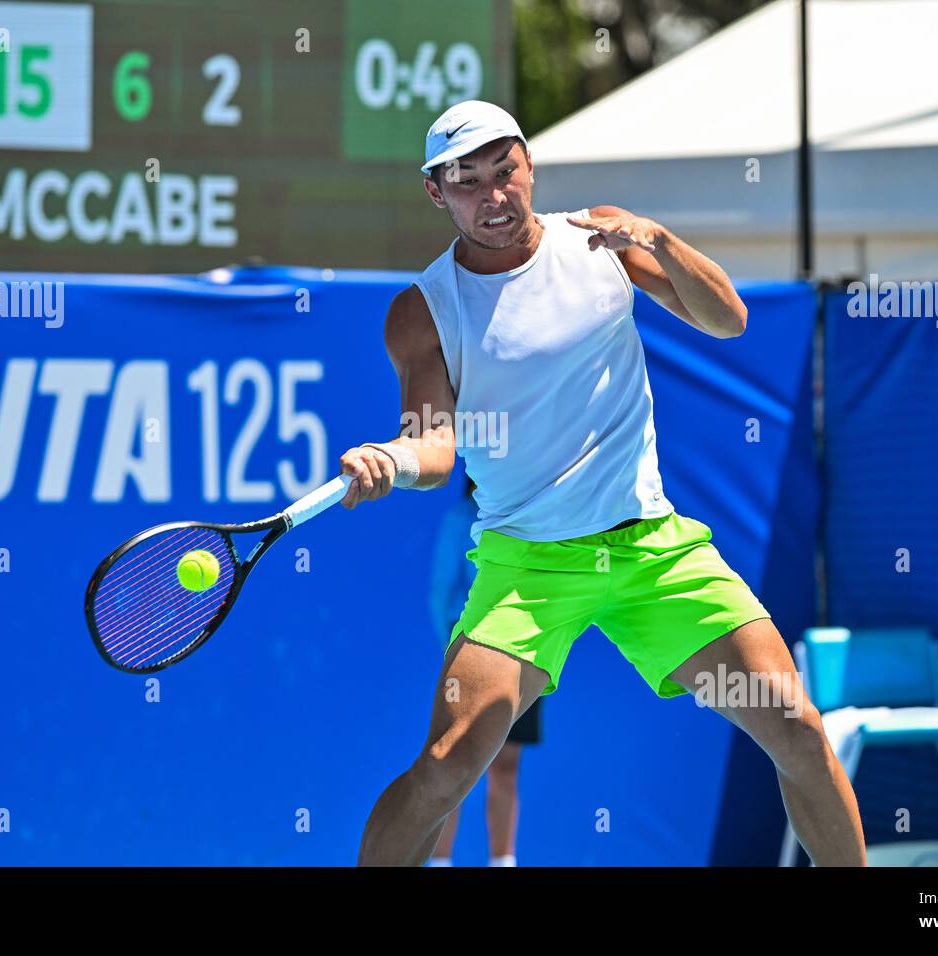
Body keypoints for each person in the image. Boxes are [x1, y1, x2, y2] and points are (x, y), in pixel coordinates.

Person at [337, 100, 866, 867]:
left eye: (504, 171)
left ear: (528, 165)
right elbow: (438, 448)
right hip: (529, 567)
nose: (494, 196)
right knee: (450, 764)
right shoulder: (422, 311)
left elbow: (729, 320)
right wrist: (393, 458)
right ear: (436, 193)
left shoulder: (600, 239)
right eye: (468, 182)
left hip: (653, 550)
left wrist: (658, 239)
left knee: (795, 724)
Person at [427, 475, 541, 867]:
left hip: (527, 657)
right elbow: (442, 594)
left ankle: (503, 862)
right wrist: (463, 653)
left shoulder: (531, 517)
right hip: (472, 661)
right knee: (452, 764)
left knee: (506, 766)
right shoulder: (461, 520)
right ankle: (440, 862)